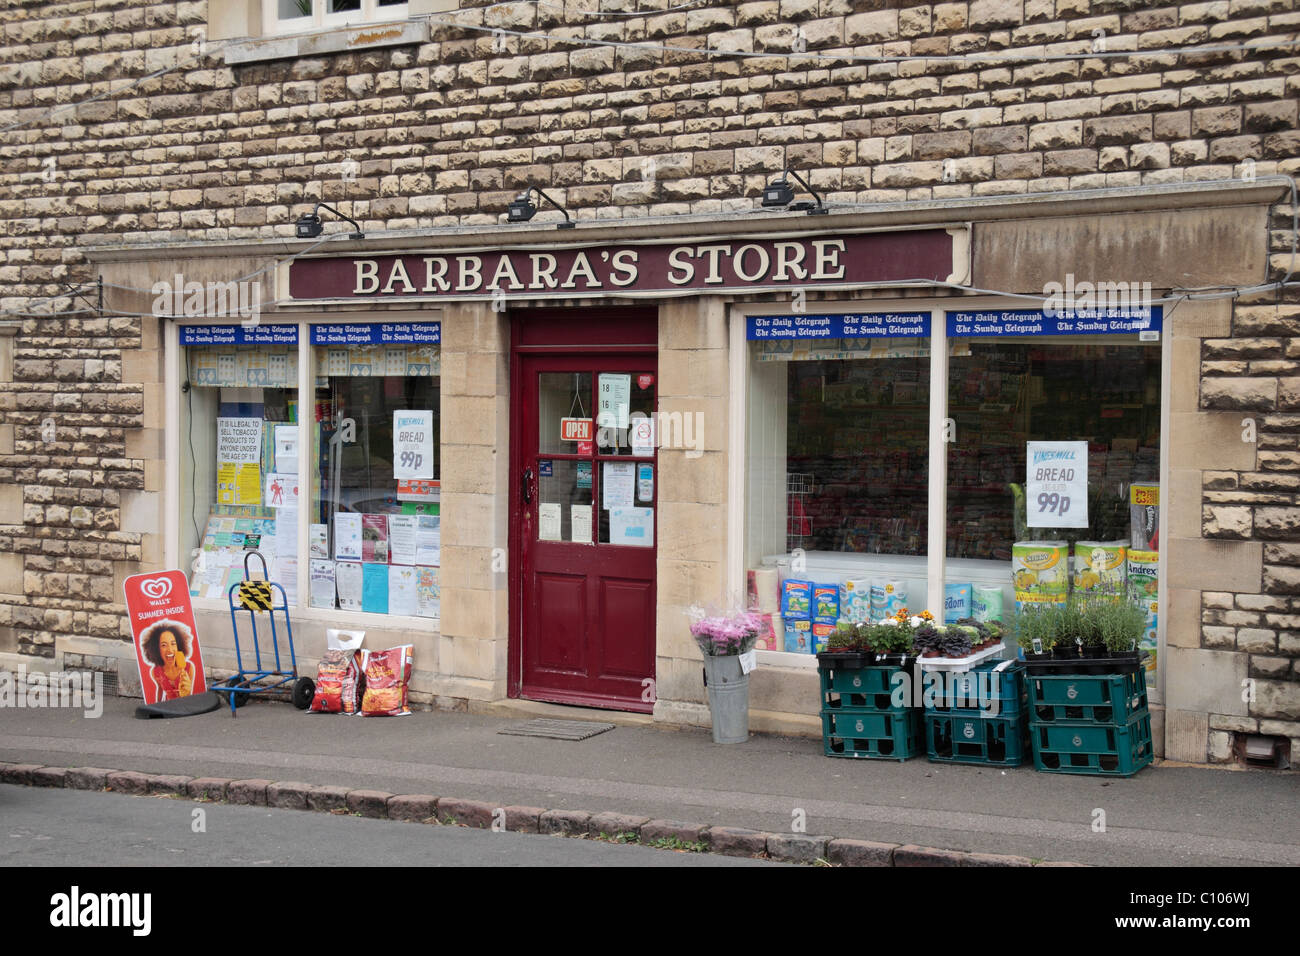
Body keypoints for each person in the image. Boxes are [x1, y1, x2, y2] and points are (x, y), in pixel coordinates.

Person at [139, 620, 196, 701]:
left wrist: (187, 691)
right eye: (164, 645)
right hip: (168, 707)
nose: (170, 650)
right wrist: (157, 707)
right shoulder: (155, 672)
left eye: (173, 644)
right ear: (156, 649)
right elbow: (160, 689)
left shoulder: (189, 668)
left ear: (179, 646)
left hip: (185, 704)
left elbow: (191, 694)